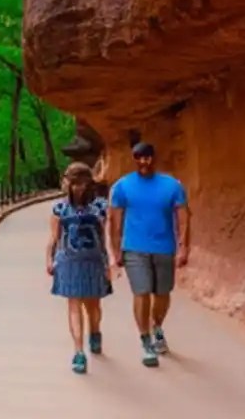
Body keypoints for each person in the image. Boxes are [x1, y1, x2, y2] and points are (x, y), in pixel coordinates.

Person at [108, 142, 191, 367]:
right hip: (134, 247)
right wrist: (115, 250)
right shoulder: (123, 186)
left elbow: (183, 217)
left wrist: (184, 247)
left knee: (162, 294)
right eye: (139, 158)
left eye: (147, 158)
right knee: (142, 292)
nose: (144, 162)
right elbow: (115, 220)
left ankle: (157, 327)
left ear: (154, 158)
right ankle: (145, 340)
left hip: (164, 247)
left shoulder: (172, 185)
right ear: (134, 159)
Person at [46, 162, 115, 374]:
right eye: (75, 183)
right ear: (68, 183)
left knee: (92, 306)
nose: (79, 188)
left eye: (83, 183)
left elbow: (106, 236)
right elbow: (54, 237)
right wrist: (49, 258)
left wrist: (110, 260)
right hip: (68, 260)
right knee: (74, 304)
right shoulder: (60, 208)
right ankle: (78, 351)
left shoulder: (100, 207)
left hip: (93, 260)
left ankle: (95, 332)